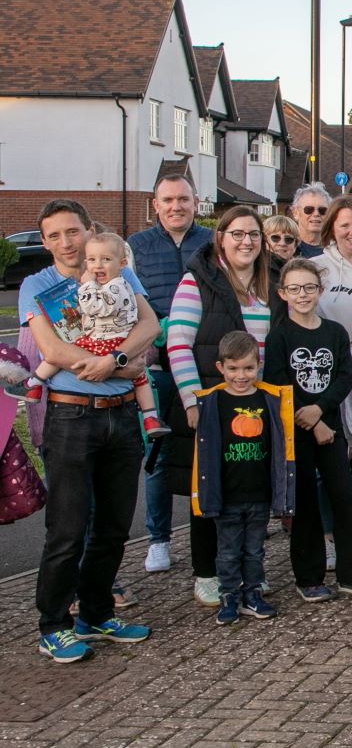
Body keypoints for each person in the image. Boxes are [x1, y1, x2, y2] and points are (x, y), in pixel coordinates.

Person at [23, 199, 158, 663]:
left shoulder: (116, 270)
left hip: (121, 415)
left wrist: (113, 362)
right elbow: (52, 349)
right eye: (55, 235)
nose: (66, 242)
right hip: (71, 417)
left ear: (87, 231)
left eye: (73, 231)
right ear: (45, 241)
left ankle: (96, 613)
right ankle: (54, 624)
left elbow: (150, 325)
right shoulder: (37, 285)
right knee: (67, 527)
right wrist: (118, 365)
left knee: (115, 524)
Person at [166, 205, 276, 607]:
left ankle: (247, 575)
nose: (246, 241)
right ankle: (208, 574)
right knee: (209, 491)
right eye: (238, 234)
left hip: (257, 408)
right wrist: (194, 402)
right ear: (221, 238)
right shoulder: (198, 282)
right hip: (213, 405)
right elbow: (178, 342)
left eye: (253, 235)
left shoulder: (271, 281)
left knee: (249, 491)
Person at [264, 256, 352, 603]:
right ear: (283, 292)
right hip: (296, 432)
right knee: (305, 505)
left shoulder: (334, 333)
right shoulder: (279, 337)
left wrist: (321, 412)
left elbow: (344, 376)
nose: (303, 295)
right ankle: (309, 576)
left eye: (310, 288)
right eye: (295, 289)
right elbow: (278, 382)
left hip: (331, 427)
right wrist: (311, 421)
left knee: (344, 500)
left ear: (320, 290)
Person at [128, 175, 213, 575]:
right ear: (155, 204)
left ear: (196, 202)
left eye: (183, 199)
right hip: (157, 369)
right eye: (168, 200)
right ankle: (159, 539)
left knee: (210, 449)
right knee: (159, 456)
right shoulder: (138, 247)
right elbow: (127, 300)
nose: (176, 206)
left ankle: (212, 531)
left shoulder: (212, 243)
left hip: (206, 364)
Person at [17, 231, 165, 438]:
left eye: (106, 260)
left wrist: (87, 286)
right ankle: (150, 418)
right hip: (115, 347)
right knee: (139, 378)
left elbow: (99, 308)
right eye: (93, 260)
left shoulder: (118, 284)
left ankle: (33, 385)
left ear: (122, 263)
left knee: (65, 351)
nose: (98, 266)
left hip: (107, 340)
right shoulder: (37, 282)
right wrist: (115, 365)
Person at [192, 330, 294, 625]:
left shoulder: (268, 400)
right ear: (220, 367)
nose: (241, 375)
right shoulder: (212, 402)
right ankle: (228, 596)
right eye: (233, 368)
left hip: (259, 493)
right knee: (227, 551)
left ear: (258, 365)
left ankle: (252, 594)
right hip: (227, 495)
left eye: (248, 368)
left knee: (254, 550)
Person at [313, 197, 352, 489]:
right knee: (335, 447)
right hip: (333, 365)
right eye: (344, 225)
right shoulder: (317, 267)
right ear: (331, 229)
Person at [289, 183, 332, 258]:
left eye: (322, 210)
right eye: (309, 209)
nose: (316, 214)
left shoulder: (337, 249)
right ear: (295, 213)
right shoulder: (286, 246)